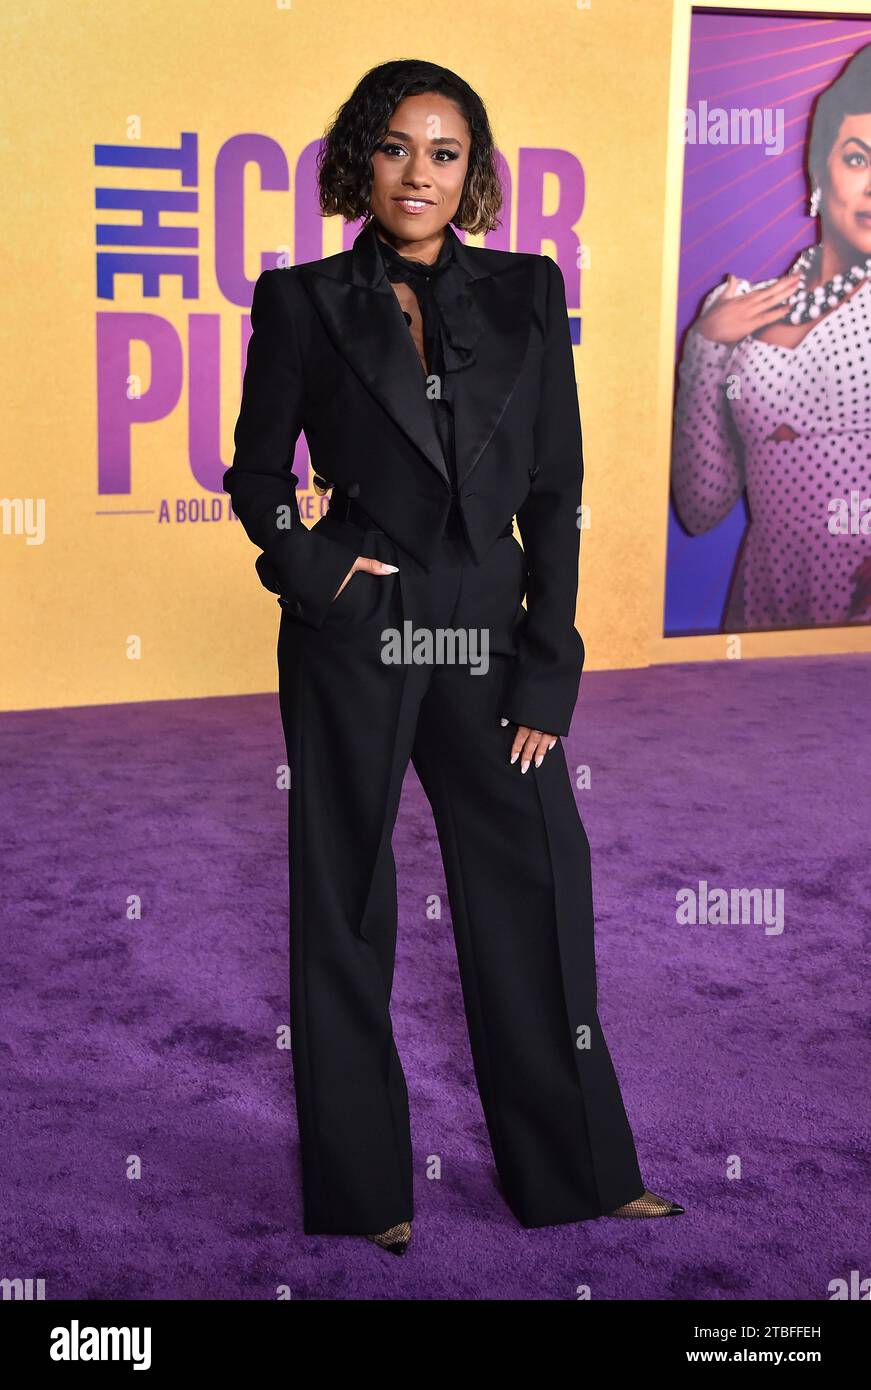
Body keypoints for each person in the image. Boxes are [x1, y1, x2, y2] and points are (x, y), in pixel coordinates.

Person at [224, 58, 683, 1255]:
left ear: (471, 173)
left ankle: (579, 1168)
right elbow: (258, 479)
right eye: (395, 147)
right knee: (346, 899)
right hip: (356, 630)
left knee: (536, 879)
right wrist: (315, 571)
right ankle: (366, 1190)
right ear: (359, 162)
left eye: (444, 152)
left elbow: (558, 492)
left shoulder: (531, 293)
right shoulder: (301, 301)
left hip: (490, 629)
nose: (418, 172)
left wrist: (548, 665)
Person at [672, 42, 871, 631]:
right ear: (819, 169)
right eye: (858, 158)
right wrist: (706, 346)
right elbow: (702, 506)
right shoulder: (735, 307)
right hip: (764, 593)